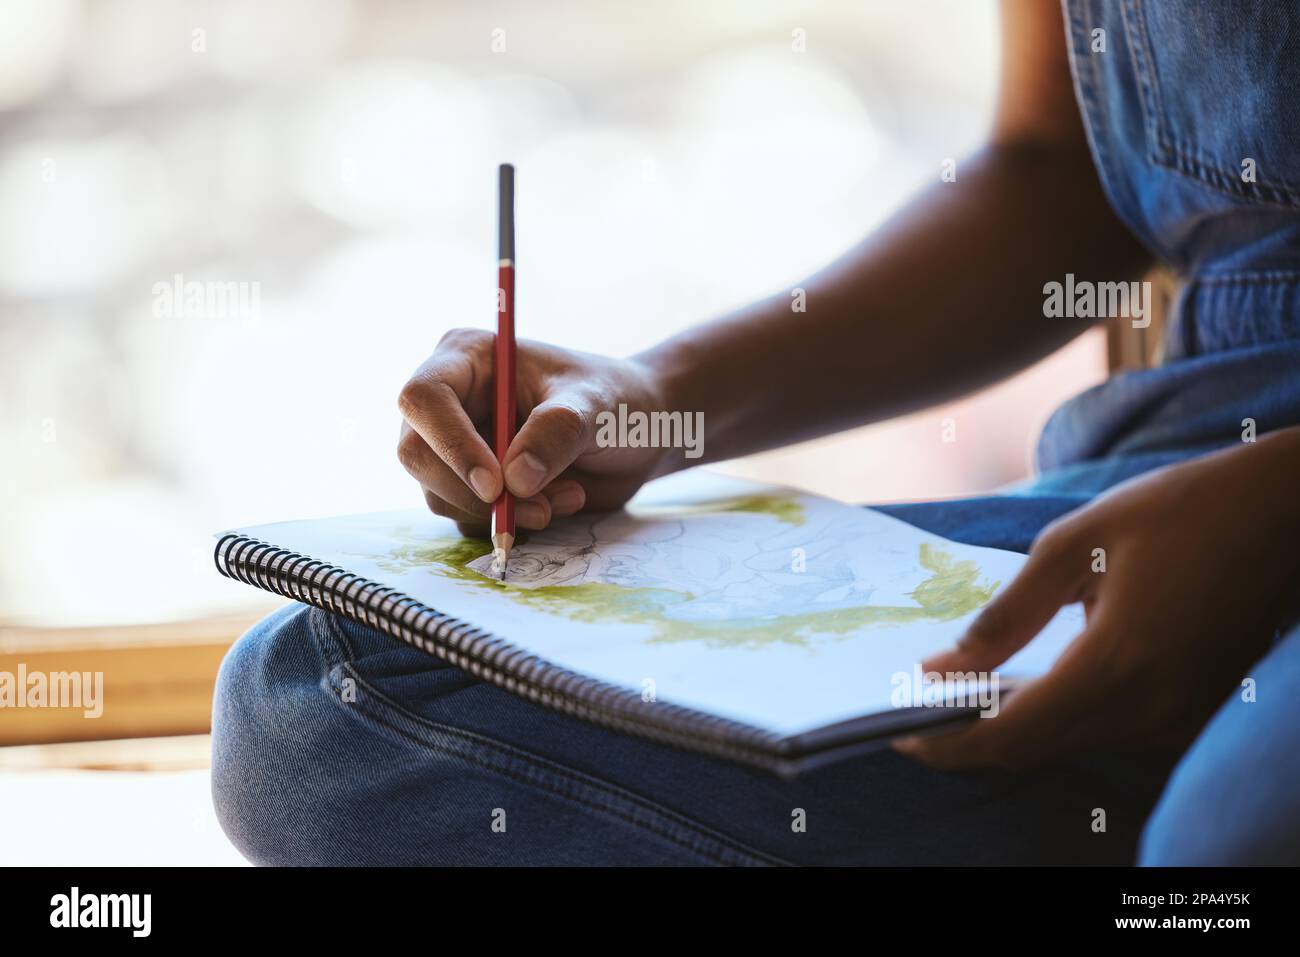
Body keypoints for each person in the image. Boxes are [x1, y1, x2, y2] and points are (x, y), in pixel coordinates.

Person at [212, 0, 1300, 865]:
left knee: (1228, 836)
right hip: (1174, 464)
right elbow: (1056, 173)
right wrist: (655, 394)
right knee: (313, 713)